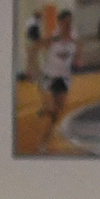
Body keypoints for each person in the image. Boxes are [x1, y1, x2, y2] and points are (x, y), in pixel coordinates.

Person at [32, 9, 79, 148]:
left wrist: (78, 58)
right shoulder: (52, 37)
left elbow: (78, 46)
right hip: (49, 77)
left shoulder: (74, 36)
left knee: (57, 113)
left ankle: (45, 139)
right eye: (65, 22)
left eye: (69, 21)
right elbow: (33, 49)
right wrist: (33, 70)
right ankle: (45, 110)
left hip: (64, 79)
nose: (67, 24)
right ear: (60, 23)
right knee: (51, 108)